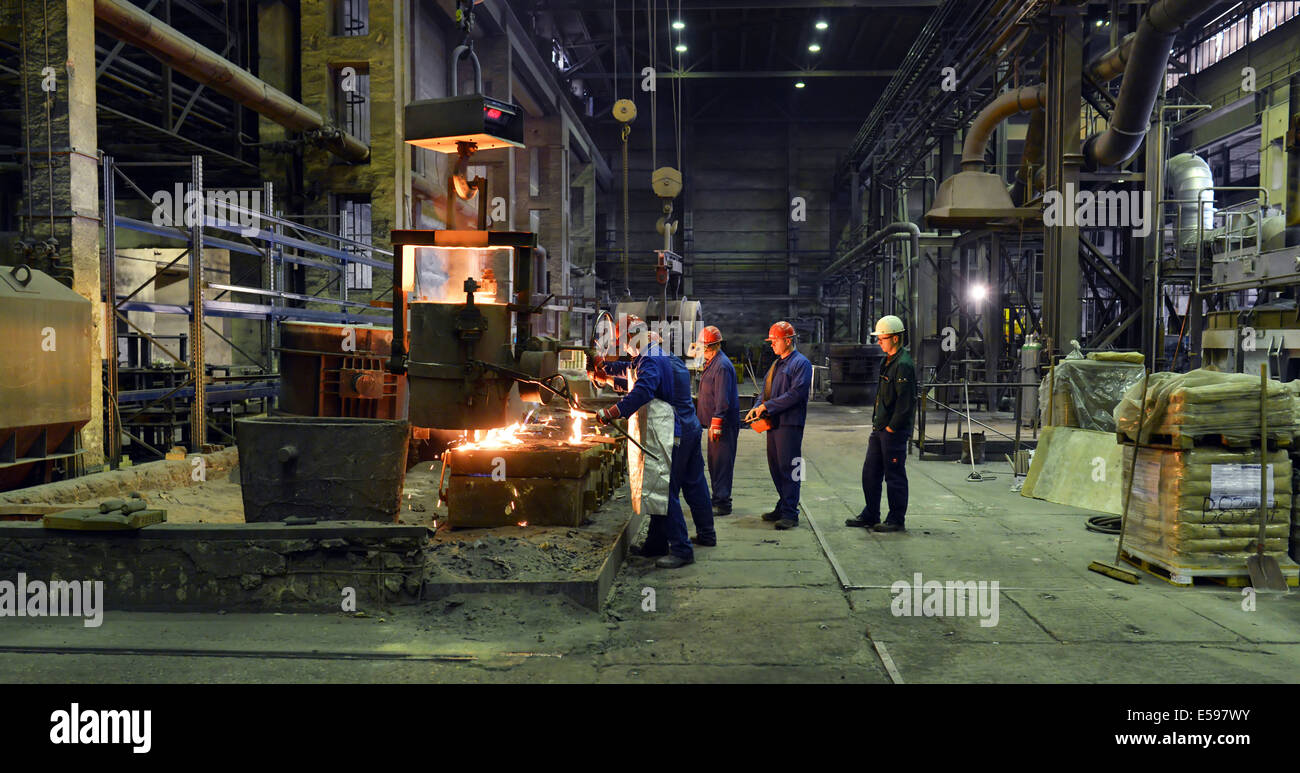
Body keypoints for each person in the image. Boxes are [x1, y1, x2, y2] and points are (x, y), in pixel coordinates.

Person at [590, 315, 715, 567]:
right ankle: (659, 543)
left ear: (630, 336)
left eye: (621, 340)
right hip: (683, 426)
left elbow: (644, 388)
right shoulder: (652, 354)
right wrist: (606, 371)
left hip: (672, 429)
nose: (622, 346)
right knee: (682, 484)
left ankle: (681, 550)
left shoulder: (651, 357)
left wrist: (613, 412)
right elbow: (632, 371)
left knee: (665, 490)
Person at [846, 314, 915, 533]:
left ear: (895, 338)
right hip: (880, 428)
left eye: (882, 338)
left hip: (892, 431)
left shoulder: (903, 365)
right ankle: (871, 513)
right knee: (870, 472)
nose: (879, 342)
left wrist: (892, 427)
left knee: (894, 475)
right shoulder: (888, 361)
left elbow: (905, 403)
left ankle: (896, 519)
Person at [744, 320, 812, 531]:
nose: (771, 344)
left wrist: (767, 407)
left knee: (791, 467)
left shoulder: (801, 364)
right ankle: (784, 504)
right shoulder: (777, 364)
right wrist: (756, 408)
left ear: (788, 341)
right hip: (773, 424)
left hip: (790, 425)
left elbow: (796, 395)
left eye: (775, 341)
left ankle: (791, 513)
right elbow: (766, 391)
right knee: (775, 467)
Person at [695, 325, 740, 517]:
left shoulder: (721, 366)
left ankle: (723, 503)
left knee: (721, 463)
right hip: (714, 423)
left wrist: (717, 422)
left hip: (722, 424)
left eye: (702, 347)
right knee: (714, 463)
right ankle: (717, 498)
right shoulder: (712, 363)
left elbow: (722, 398)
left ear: (709, 347)